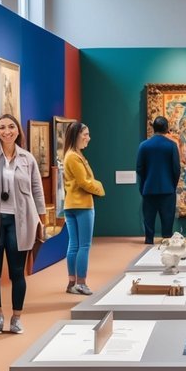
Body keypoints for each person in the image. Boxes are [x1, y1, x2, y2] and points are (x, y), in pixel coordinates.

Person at [0, 114, 46, 335]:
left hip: (20, 221)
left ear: (17, 130)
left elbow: (37, 192)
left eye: (11, 126)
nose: (7, 131)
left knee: (17, 272)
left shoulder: (28, 159)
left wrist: (41, 221)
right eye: (2, 127)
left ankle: (16, 318)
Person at [62, 121, 105, 295]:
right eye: (85, 134)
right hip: (82, 205)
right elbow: (84, 182)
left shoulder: (72, 154)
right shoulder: (73, 156)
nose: (88, 138)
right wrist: (100, 188)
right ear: (76, 135)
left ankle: (72, 282)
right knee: (84, 246)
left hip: (71, 204)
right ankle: (81, 283)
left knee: (74, 245)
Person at [136, 116, 181, 244]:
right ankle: (166, 241)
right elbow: (176, 169)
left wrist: (145, 184)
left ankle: (149, 241)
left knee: (148, 219)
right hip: (167, 189)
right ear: (167, 128)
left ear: (153, 127)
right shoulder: (171, 145)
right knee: (167, 220)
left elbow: (139, 168)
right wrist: (173, 185)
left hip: (149, 188)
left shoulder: (144, 146)